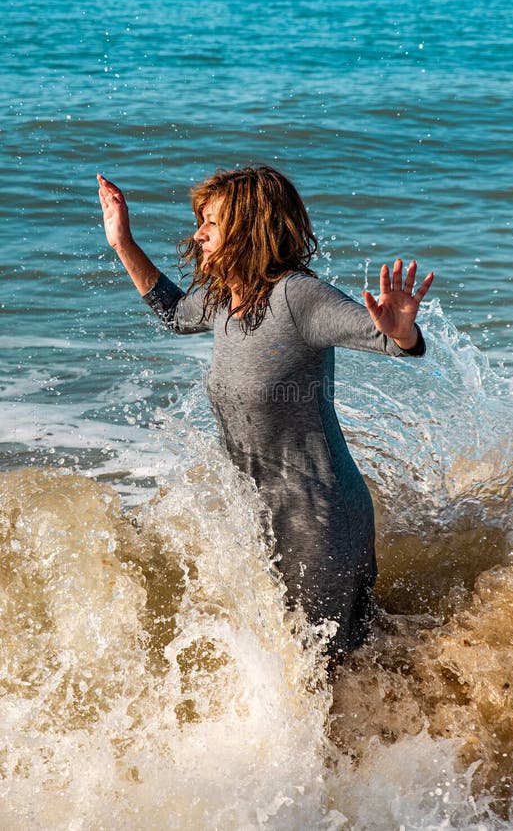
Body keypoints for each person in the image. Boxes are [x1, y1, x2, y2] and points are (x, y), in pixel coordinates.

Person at [97, 166, 434, 659]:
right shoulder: (223, 299)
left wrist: (402, 331)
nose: (199, 235)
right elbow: (173, 312)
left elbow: (390, 338)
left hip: (320, 520)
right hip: (269, 515)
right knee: (313, 665)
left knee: (322, 672)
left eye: (212, 223)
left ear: (250, 228)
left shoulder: (297, 297)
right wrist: (122, 242)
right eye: (200, 222)